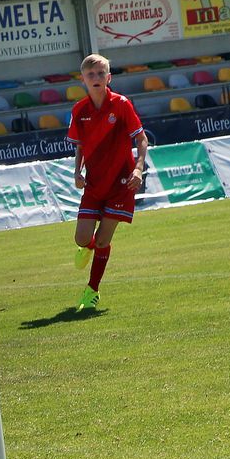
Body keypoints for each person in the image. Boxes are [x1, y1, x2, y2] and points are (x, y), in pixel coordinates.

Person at [65, 53, 148, 311]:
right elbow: (79, 146)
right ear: (83, 80)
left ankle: (92, 290)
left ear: (109, 77)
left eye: (101, 73)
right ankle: (86, 248)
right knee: (81, 238)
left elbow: (141, 138)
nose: (97, 78)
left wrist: (138, 168)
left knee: (102, 240)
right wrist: (77, 172)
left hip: (122, 184)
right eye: (91, 74)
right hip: (94, 184)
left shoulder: (121, 104)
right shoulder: (79, 110)